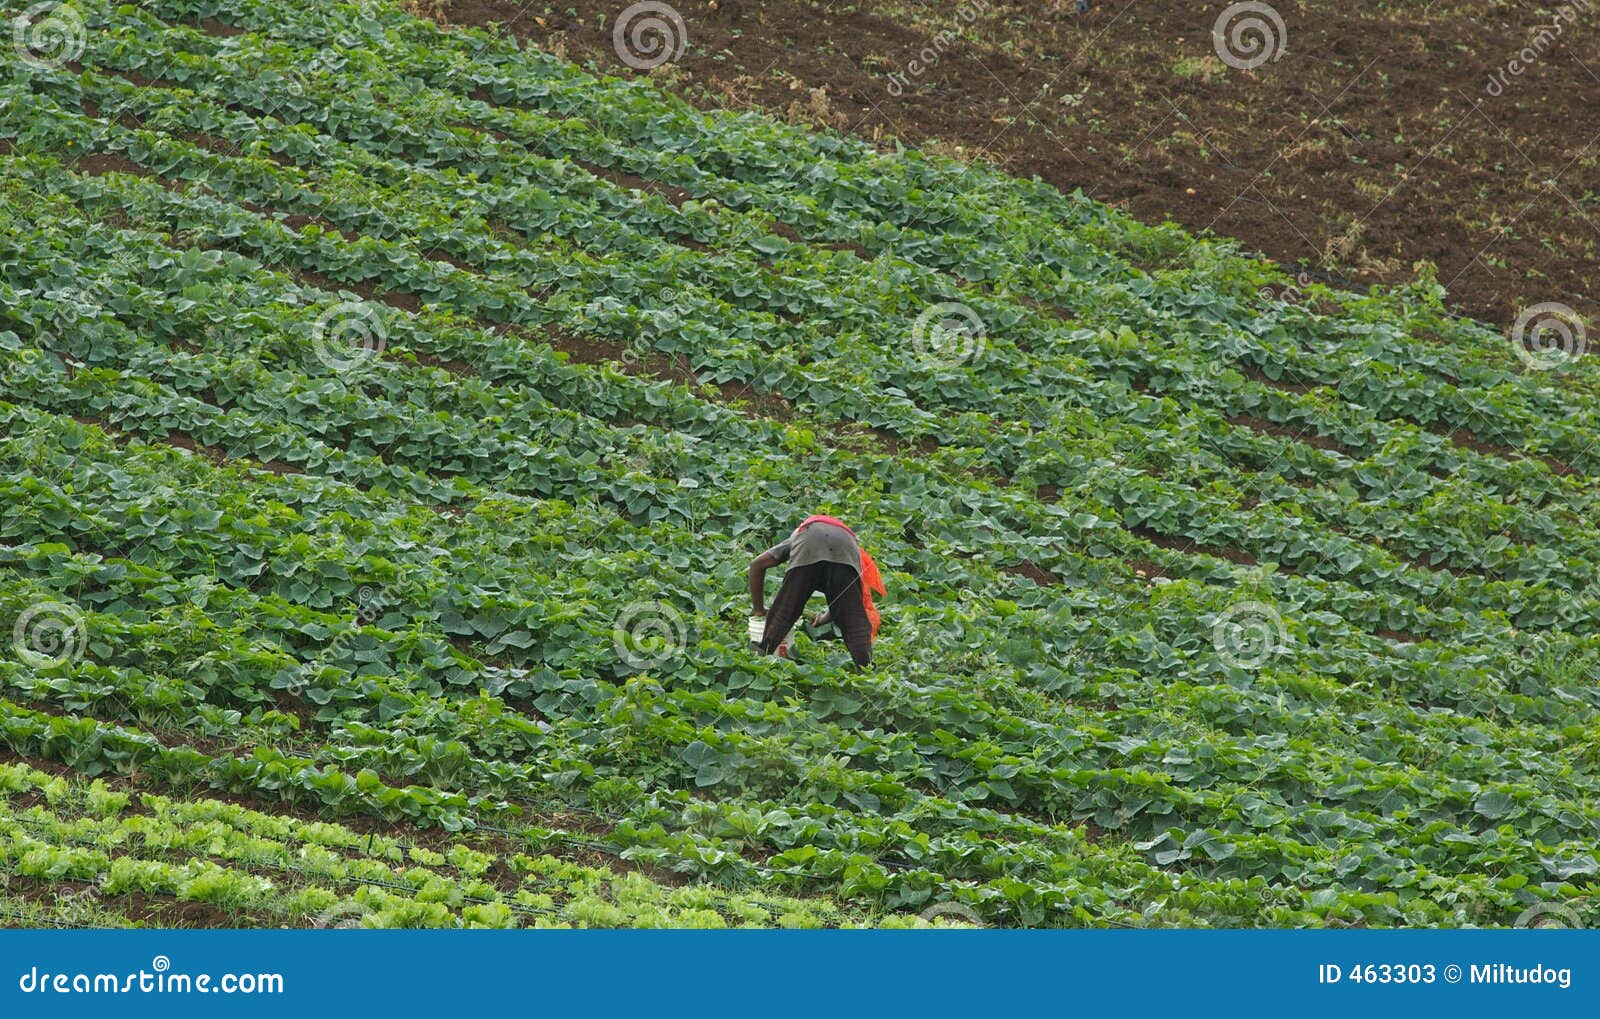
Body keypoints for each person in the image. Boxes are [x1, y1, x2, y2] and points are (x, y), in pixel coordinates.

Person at [747, 514, 885, 669]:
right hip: (846, 546)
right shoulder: (850, 546)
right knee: (853, 620)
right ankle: (866, 672)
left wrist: (758, 609)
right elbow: (845, 598)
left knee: (785, 610)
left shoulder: (800, 534)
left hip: (809, 541)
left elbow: (757, 564)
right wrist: (825, 617)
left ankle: (760, 661)